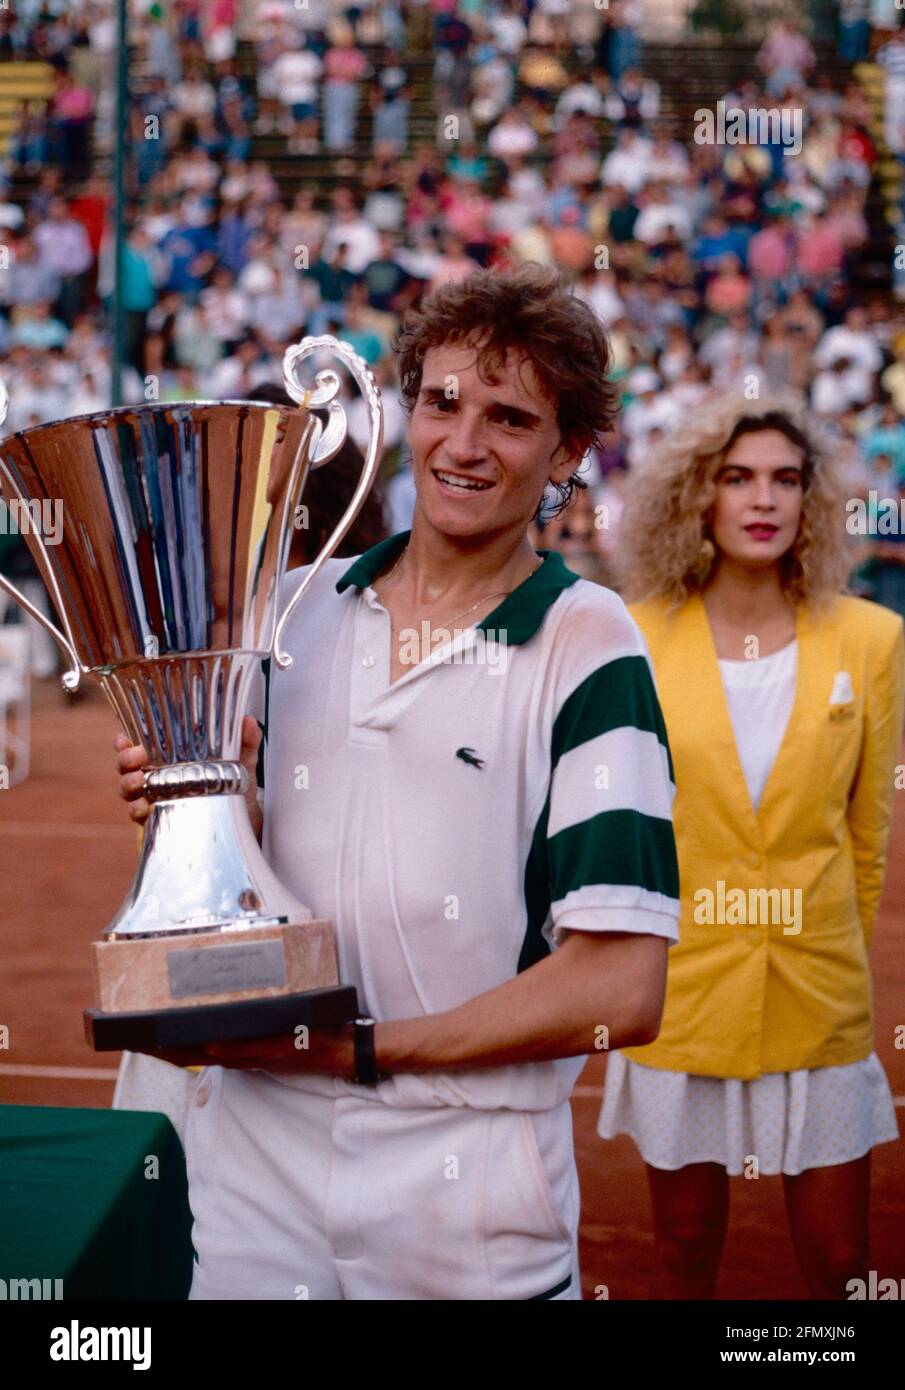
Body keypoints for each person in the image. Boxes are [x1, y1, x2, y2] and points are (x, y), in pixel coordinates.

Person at [113, 263, 680, 1301]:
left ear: (566, 453)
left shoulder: (590, 642)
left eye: (509, 419)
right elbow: (242, 888)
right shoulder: (285, 606)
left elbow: (619, 987)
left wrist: (357, 1051)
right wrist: (194, 800)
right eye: (441, 403)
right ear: (403, 412)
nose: (463, 445)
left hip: (465, 1182)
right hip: (251, 1153)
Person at [597, 390, 905, 1300]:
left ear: (810, 500)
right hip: (683, 992)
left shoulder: (874, 638)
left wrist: (827, 950)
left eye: (784, 479)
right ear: (698, 496)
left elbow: (865, 838)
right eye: (736, 478)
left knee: (840, 1265)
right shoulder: (634, 636)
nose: (761, 499)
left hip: (819, 993)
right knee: (685, 1251)